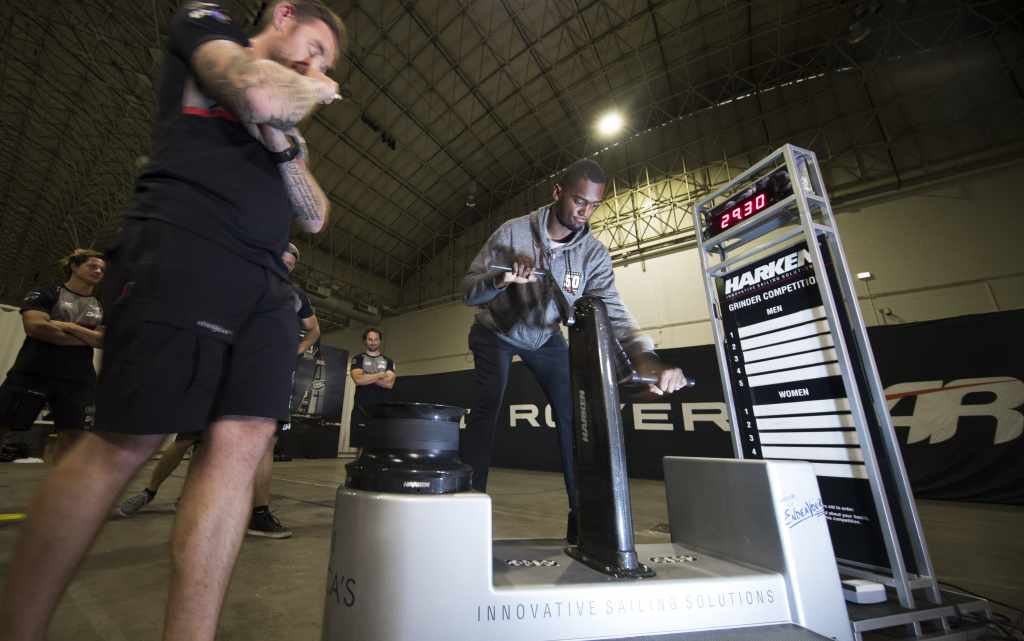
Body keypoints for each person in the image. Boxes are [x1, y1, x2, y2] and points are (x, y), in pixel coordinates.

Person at [0, 3, 345, 640]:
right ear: (284, 13)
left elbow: (317, 214)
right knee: (127, 440)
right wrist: (310, 88)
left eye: (324, 61)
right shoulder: (209, 27)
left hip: (266, 283)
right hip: (186, 244)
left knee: (242, 445)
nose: (317, 63)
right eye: (316, 46)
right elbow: (255, 88)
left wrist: (281, 135)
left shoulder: (285, 119)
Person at [460, 158, 689, 543]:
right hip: (495, 331)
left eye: (594, 205)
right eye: (579, 201)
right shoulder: (513, 232)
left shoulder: (593, 254)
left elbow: (612, 310)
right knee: (488, 405)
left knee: (576, 413)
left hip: (544, 336)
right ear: (557, 193)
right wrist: (500, 279)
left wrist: (646, 358)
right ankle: (466, 509)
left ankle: (583, 518)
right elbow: (468, 291)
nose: (585, 212)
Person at [116, 243, 320, 541]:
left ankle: (258, 513)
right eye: (283, 258)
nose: (287, 263)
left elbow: (313, 329)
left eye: (292, 262)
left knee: (264, 439)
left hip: (265, 375)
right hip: (223, 368)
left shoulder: (295, 295)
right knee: (188, 437)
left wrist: (296, 350)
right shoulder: (241, 279)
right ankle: (149, 491)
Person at [0, 249, 105, 465]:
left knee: (75, 436)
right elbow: (36, 327)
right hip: (34, 371)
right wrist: (87, 337)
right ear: (74, 266)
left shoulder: (102, 305)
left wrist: (68, 327)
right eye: (92, 266)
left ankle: (58, 484)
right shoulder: (45, 293)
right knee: (4, 423)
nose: (98, 271)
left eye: (102, 269)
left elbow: (105, 341)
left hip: (78, 379)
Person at [348, 328, 396, 447]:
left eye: (376, 339)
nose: (373, 342)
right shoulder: (358, 359)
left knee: (379, 446)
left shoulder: (388, 361)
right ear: (365, 341)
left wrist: (366, 375)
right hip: (361, 410)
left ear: (380, 341)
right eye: (370, 339)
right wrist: (380, 375)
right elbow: (358, 380)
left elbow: (389, 383)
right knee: (360, 445)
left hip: (381, 411)